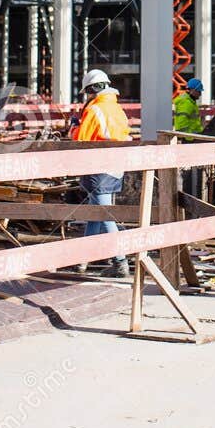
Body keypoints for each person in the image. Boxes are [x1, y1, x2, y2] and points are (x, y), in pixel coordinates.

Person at [70, 68, 133, 278]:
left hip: (98, 167)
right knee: (95, 215)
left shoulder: (95, 109)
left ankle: (120, 261)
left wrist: (74, 127)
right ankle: (82, 260)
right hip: (115, 167)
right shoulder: (117, 109)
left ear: (93, 89)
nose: (87, 96)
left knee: (104, 214)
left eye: (88, 92)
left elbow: (81, 140)